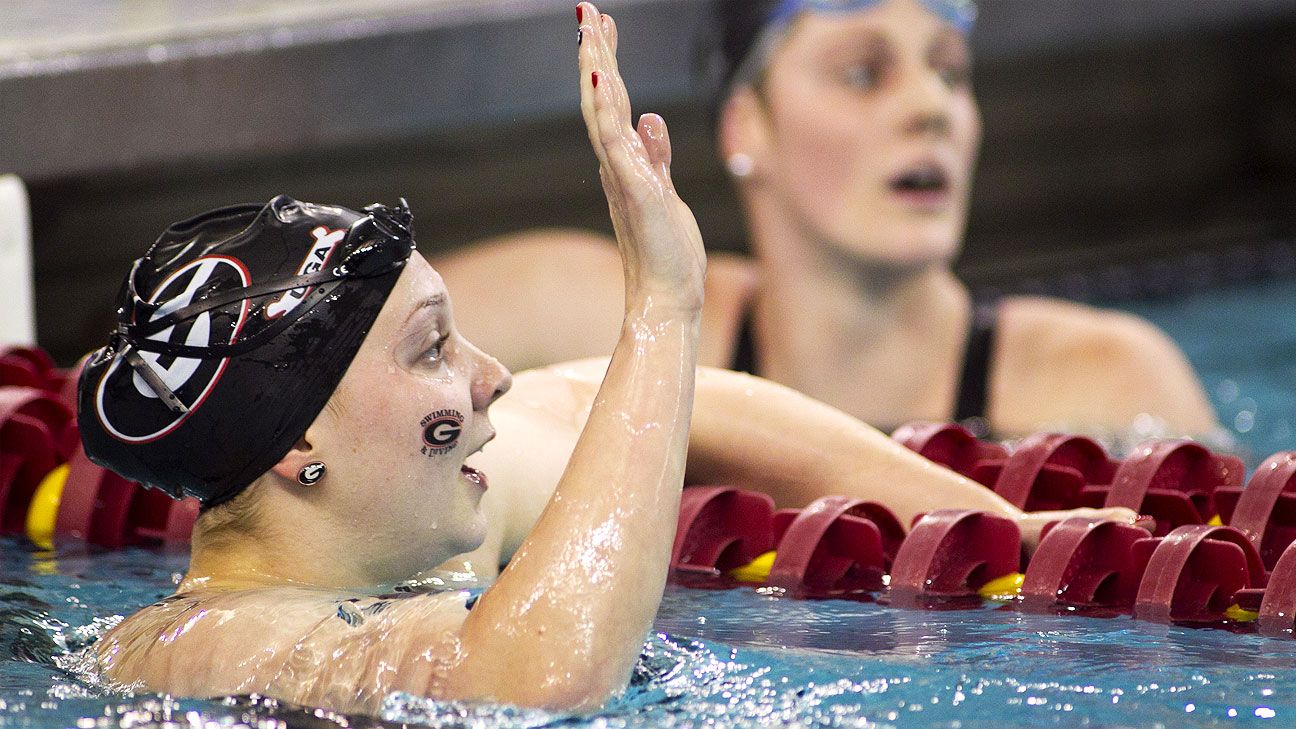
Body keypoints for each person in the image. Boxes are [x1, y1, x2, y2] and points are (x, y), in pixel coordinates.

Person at [84, 4, 1131, 716]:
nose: (489, 375)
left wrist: (1008, 531)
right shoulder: (204, 654)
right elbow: (540, 677)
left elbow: (665, 409)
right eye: (432, 350)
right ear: (300, 442)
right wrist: (662, 311)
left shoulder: (411, 528)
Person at [435, 0, 1219, 441]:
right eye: (862, 72)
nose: (929, 108)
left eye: (950, 72)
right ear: (749, 128)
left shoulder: (1110, 384)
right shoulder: (609, 320)